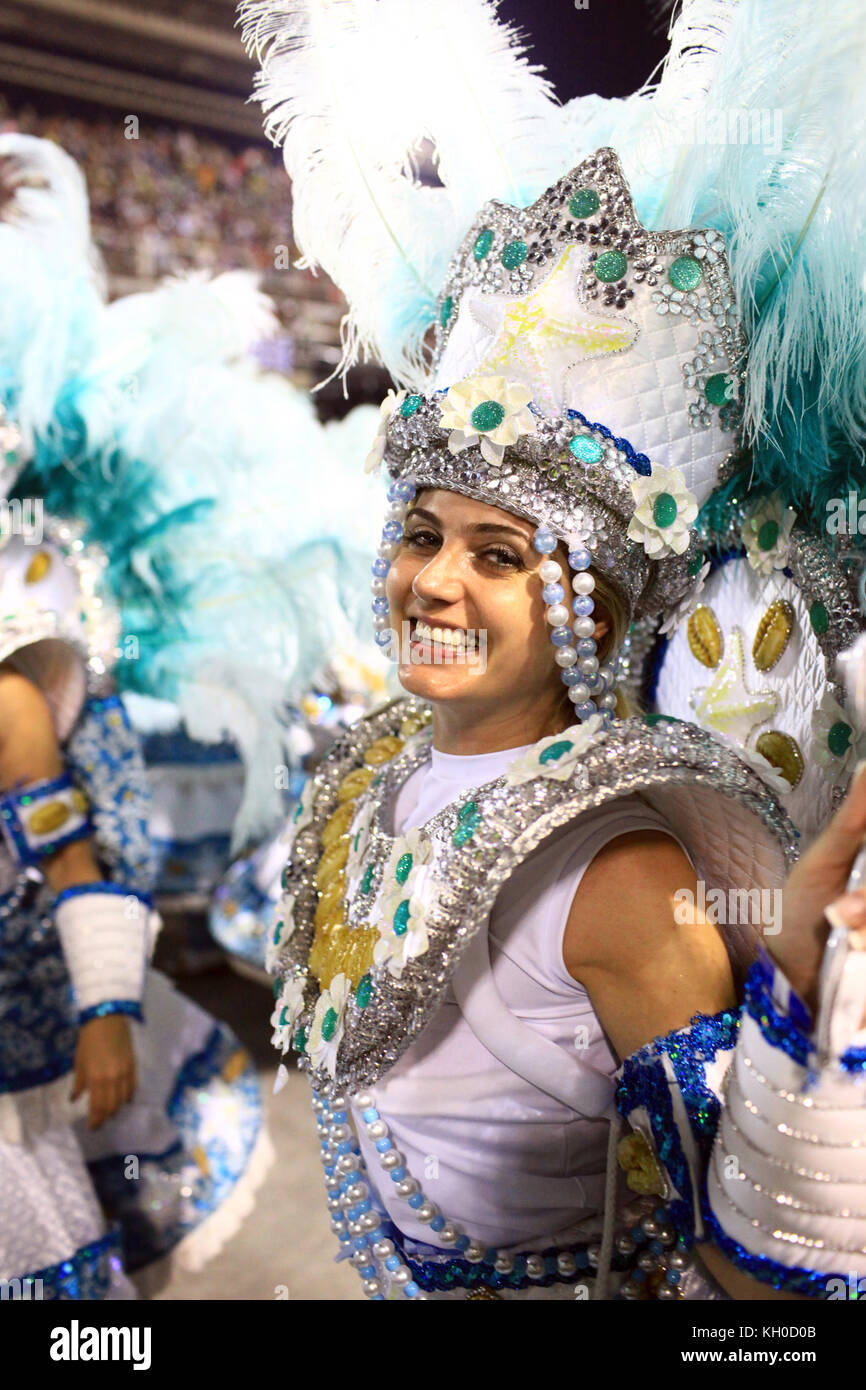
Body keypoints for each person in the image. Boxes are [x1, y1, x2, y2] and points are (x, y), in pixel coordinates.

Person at [245, 0, 866, 1298]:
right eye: (423, 531)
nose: (433, 578)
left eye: (498, 554)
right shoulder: (375, 771)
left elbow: (722, 1270)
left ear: (587, 597)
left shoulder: (626, 878)